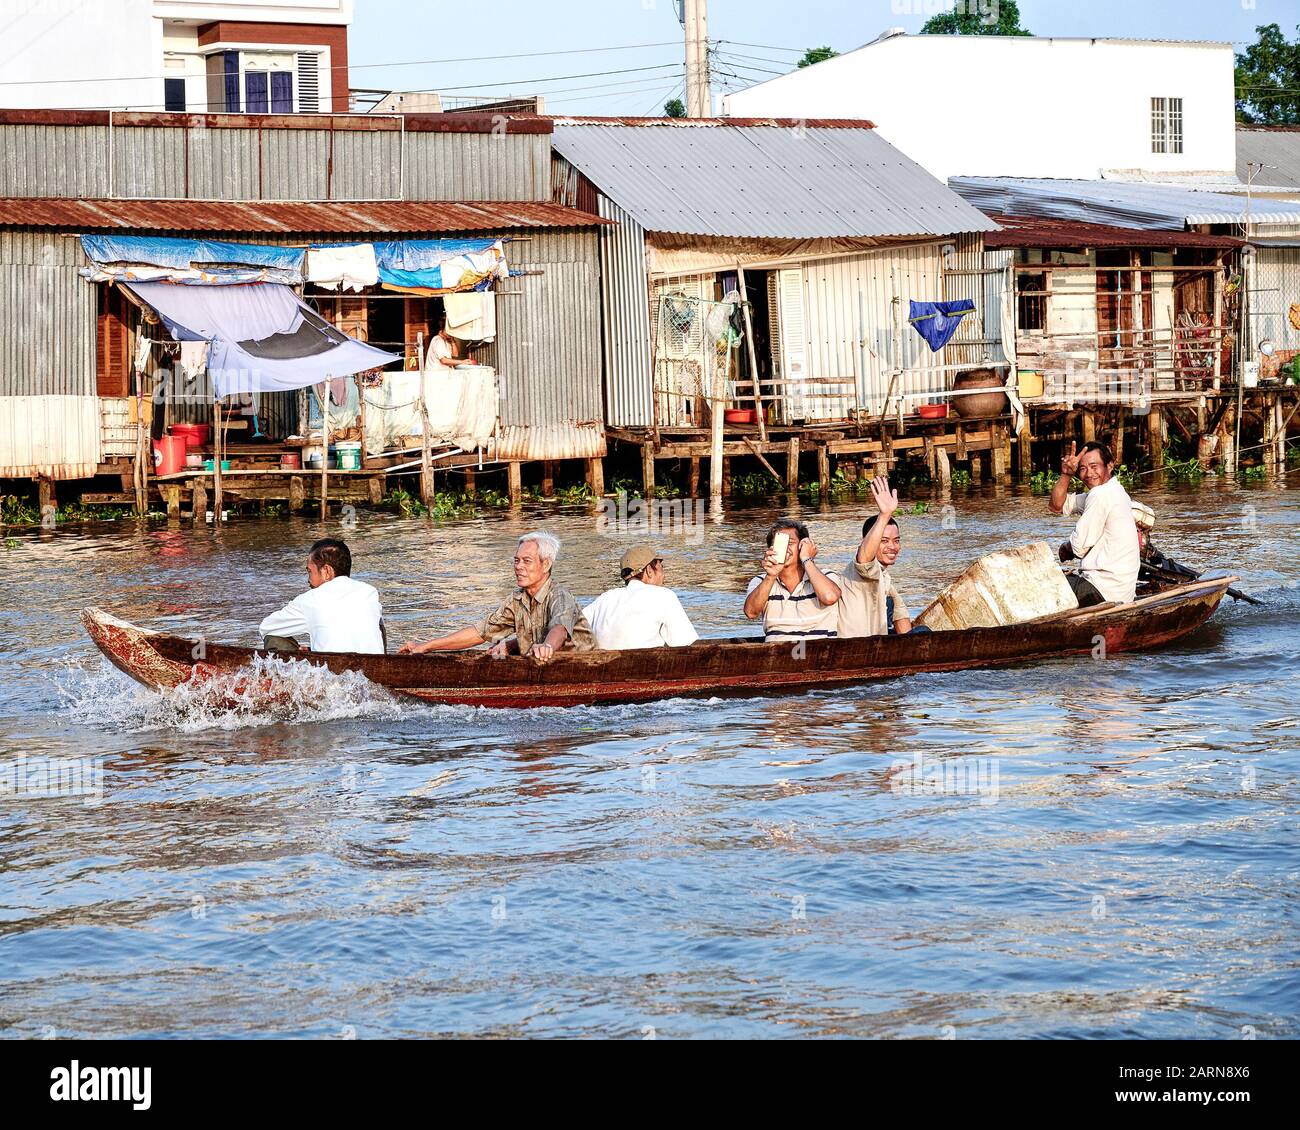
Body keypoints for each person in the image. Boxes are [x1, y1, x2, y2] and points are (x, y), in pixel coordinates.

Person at [398, 531, 595, 659]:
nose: (519, 567)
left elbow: (559, 629)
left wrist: (547, 647)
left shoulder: (560, 596)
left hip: (585, 666)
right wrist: (427, 646)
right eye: (516, 561)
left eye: (527, 561)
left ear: (546, 565)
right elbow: (480, 632)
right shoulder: (517, 600)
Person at [1049, 440, 1140, 607]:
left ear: (1110, 466)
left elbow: (1078, 547)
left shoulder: (1101, 495)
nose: (1089, 474)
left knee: (1041, 584)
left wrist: (1065, 548)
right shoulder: (1112, 491)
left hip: (1103, 591)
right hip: (1118, 590)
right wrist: (1066, 474)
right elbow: (1057, 506)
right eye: (1083, 468)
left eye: (1094, 466)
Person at [259, 538, 385, 654]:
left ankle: (287, 677)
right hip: (374, 668)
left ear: (326, 571)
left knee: (273, 637)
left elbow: (266, 628)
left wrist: (298, 652)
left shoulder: (309, 599)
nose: (309, 580)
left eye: (310, 572)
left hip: (330, 672)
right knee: (378, 622)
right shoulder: (369, 591)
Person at [837, 475, 923, 637]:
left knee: (893, 604)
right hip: (857, 646)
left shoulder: (884, 576)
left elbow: (900, 612)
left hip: (878, 643)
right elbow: (864, 558)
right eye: (884, 541)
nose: (892, 547)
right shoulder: (861, 570)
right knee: (923, 632)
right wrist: (884, 515)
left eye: (896, 541)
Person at [583, 545, 699, 650]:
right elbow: (686, 644)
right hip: (643, 670)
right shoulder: (663, 595)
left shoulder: (604, 599)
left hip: (602, 670)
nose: (664, 576)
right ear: (649, 570)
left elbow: (574, 628)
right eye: (661, 567)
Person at [743, 519, 842, 641]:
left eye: (789, 543)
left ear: (802, 546)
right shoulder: (761, 581)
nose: (784, 549)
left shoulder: (826, 576)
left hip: (819, 655)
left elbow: (830, 597)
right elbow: (751, 613)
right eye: (779, 544)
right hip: (777, 655)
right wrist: (771, 576)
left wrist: (806, 559)